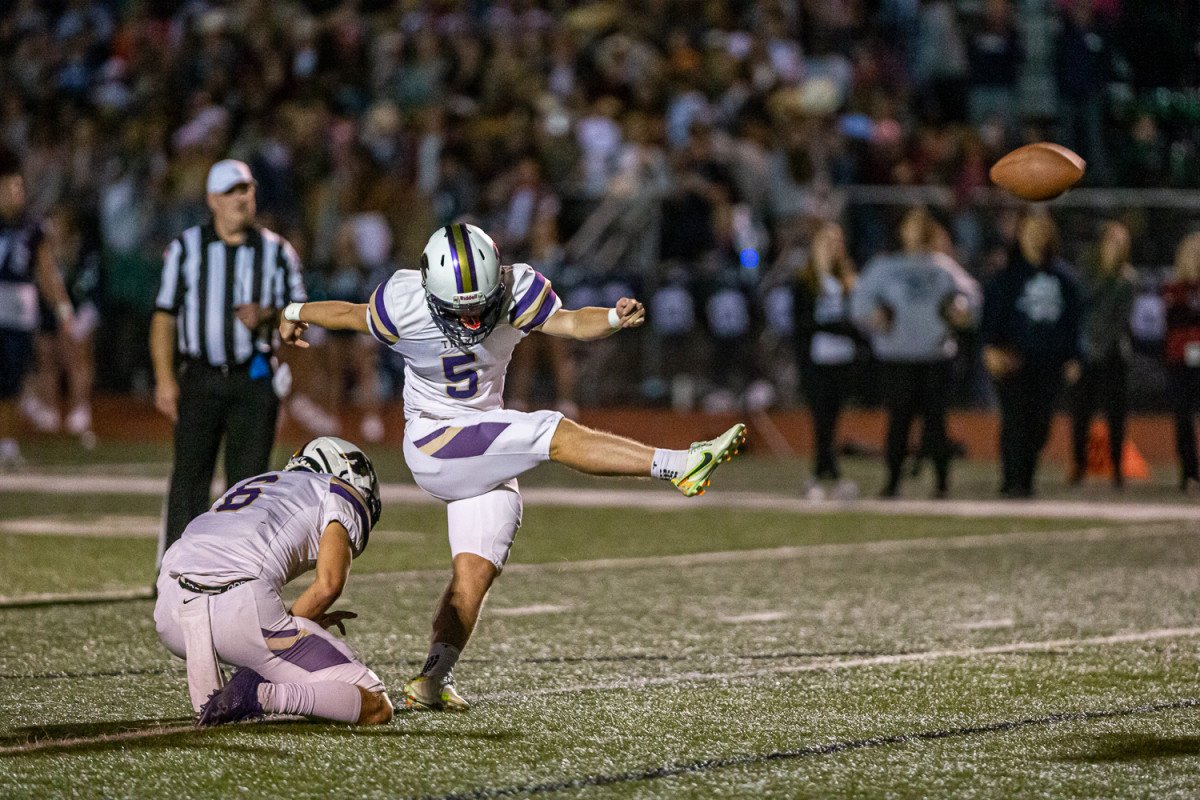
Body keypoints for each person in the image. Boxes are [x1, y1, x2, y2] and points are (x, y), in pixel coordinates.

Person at [279, 222, 746, 712]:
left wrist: (610, 317)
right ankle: (680, 465)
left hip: (482, 444)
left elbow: (567, 321)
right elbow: (349, 314)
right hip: (434, 441)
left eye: (482, 304)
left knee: (474, 573)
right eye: (462, 310)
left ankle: (432, 681)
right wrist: (294, 310)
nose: (476, 320)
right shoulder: (403, 302)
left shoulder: (516, 289)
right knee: (550, 431)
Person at [154, 436, 393, 727]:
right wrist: (294, 631)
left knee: (259, 643)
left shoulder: (249, 485)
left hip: (171, 612)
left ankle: (239, 687)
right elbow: (328, 585)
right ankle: (260, 695)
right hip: (239, 613)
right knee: (376, 704)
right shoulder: (336, 490)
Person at [150, 159, 307, 561]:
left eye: (248, 189)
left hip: (253, 379)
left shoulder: (277, 252)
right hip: (200, 377)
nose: (243, 197)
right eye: (233, 191)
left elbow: (302, 312)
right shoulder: (186, 248)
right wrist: (165, 379)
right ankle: (175, 570)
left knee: (249, 482)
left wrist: (270, 314)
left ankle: (239, 571)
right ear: (213, 200)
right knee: (189, 478)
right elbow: (164, 316)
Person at [851, 208, 980, 498]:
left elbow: (970, 296)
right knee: (899, 421)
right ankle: (893, 481)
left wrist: (962, 309)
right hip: (898, 356)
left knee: (936, 423)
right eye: (912, 225)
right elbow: (859, 301)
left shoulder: (942, 267)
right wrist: (873, 316)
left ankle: (941, 483)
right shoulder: (886, 266)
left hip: (935, 355)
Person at [981, 215, 1083, 498]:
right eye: (1030, 232)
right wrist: (990, 348)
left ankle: (1025, 477)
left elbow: (1075, 321)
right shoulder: (1007, 277)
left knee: (1040, 425)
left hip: (1049, 362)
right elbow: (992, 317)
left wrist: (1075, 357)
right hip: (1015, 360)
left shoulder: (1064, 278)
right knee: (1015, 420)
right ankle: (1013, 480)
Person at [0, 147, 74, 469]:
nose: (17, 194)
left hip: (17, 312)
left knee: (10, 382)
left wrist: (64, 311)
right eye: (10, 188)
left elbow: (46, 273)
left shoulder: (32, 227)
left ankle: (7, 445)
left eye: (20, 188)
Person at [791, 222, 860, 500]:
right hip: (816, 361)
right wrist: (838, 327)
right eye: (828, 241)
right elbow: (803, 323)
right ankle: (825, 475)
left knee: (832, 419)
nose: (835, 247)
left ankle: (823, 475)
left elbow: (855, 321)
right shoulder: (806, 280)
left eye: (838, 242)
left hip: (842, 360)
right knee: (821, 420)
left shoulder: (846, 279)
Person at [1069, 221, 1135, 488]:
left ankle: (1117, 469)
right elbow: (1080, 307)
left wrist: (1100, 346)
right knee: (1080, 412)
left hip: (1113, 353)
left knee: (1116, 414)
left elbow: (1121, 320)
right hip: (1087, 351)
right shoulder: (1088, 272)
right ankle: (1078, 466)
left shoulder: (1127, 280)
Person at [1161, 232, 1200, 493]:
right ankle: (1189, 471)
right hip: (1179, 362)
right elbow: (1171, 323)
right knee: (1182, 417)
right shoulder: (1172, 290)